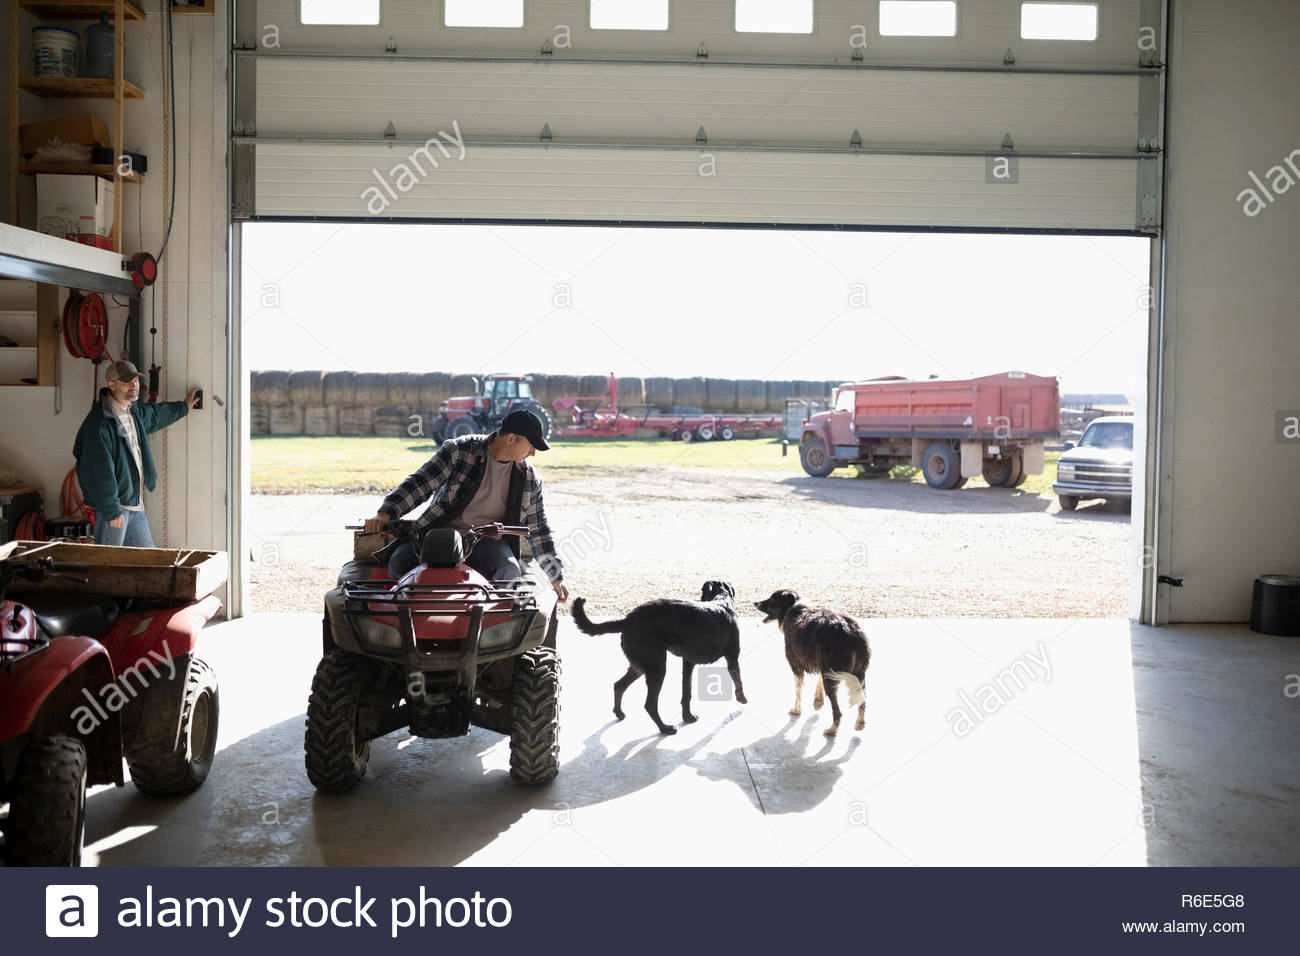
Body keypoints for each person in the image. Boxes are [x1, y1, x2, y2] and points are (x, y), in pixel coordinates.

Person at [365, 409, 569, 602]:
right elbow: (420, 483)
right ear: (511, 438)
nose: (533, 453)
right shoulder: (459, 451)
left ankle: (489, 632)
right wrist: (386, 513)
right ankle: (415, 620)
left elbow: (539, 529)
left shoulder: (530, 479)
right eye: (531, 445)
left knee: (508, 573)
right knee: (399, 563)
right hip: (440, 536)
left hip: (487, 542)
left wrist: (555, 576)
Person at [73, 360, 200, 548]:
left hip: (134, 504)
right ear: (111, 384)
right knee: (107, 565)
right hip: (116, 509)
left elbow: (157, 414)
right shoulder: (98, 425)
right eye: (127, 381)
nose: (134, 385)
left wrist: (184, 407)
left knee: (148, 561)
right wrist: (111, 509)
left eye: (136, 380)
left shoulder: (134, 412)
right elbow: (97, 473)